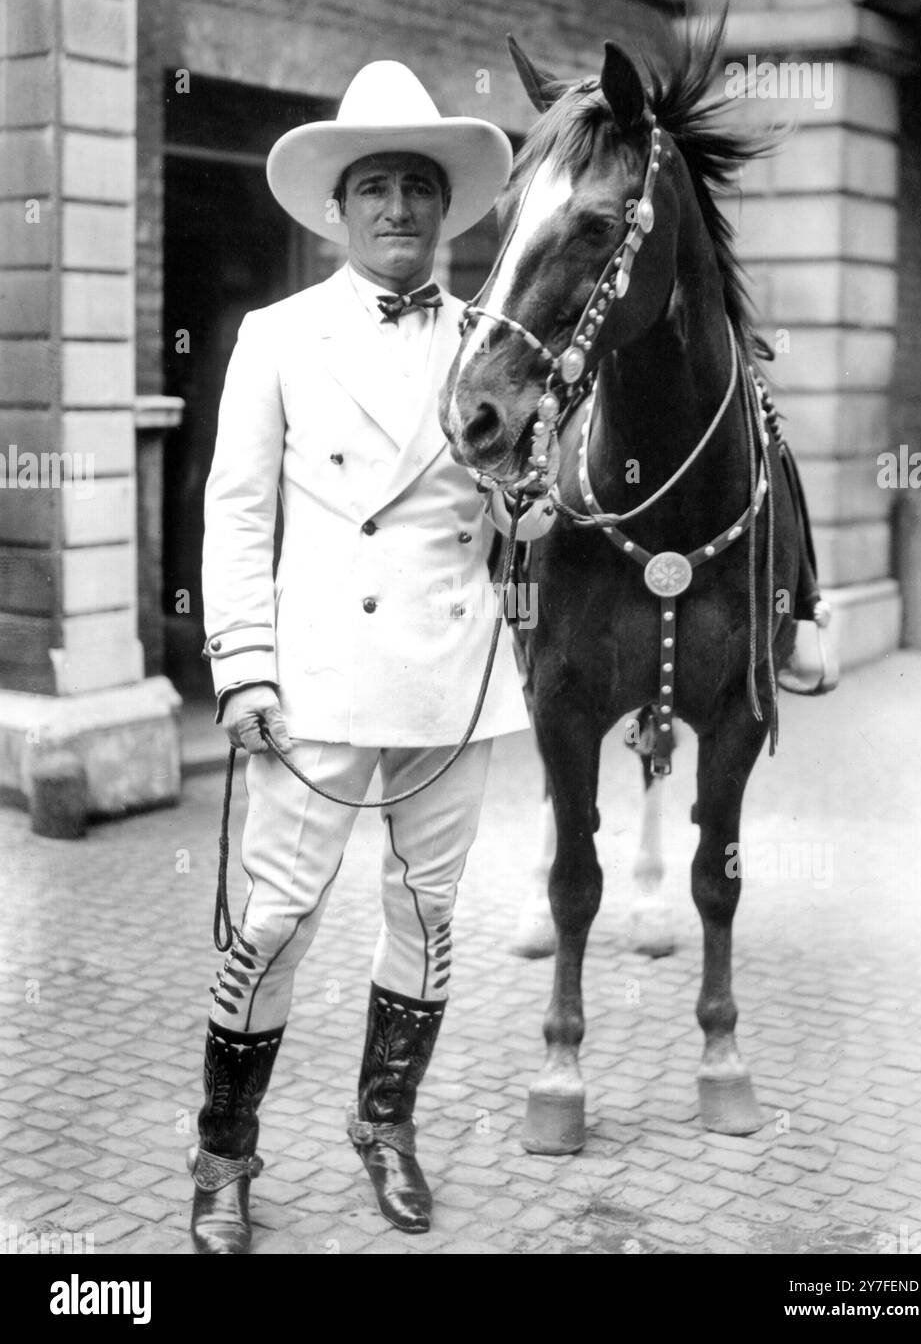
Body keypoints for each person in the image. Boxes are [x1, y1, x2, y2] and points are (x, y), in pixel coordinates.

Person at [190, 61, 555, 1254]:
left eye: (417, 187)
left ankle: (384, 1126)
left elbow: (525, 513)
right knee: (279, 919)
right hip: (316, 684)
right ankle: (224, 1155)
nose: (397, 208)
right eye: (374, 189)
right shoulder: (277, 336)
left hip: (452, 678)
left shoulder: (500, 348)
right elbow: (238, 512)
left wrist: (534, 503)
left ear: (444, 210)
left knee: (428, 912)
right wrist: (243, 664)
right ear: (338, 212)